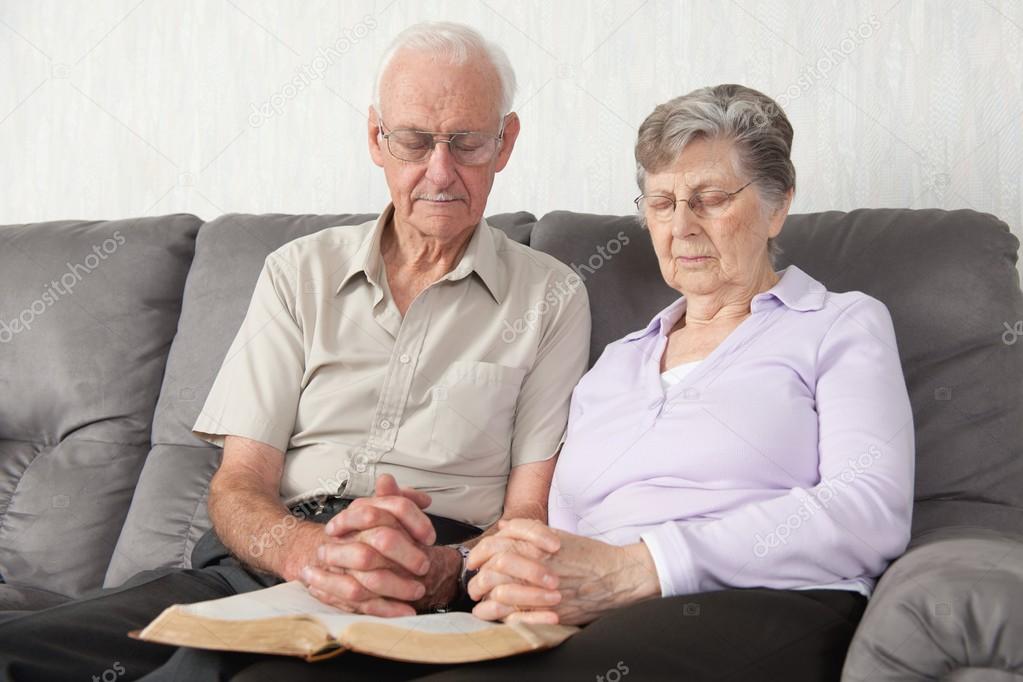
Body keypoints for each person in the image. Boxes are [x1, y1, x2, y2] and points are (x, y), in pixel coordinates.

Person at [232, 85, 914, 681]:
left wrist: (640, 568)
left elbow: (867, 510)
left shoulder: (837, 324)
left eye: (709, 199)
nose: (680, 227)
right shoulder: (617, 361)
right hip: (579, 616)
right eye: (661, 202)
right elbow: (551, 527)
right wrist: (468, 568)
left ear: (775, 206)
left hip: (759, 600)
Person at [0, 22, 590, 682]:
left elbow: (527, 515)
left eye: (467, 142)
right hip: (268, 560)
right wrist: (304, 552)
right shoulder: (296, 273)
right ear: (376, 139)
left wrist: (441, 572)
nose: (440, 171)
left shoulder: (550, 297)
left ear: (504, 142)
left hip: (424, 585)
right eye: (414, 141)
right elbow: (237, 485)